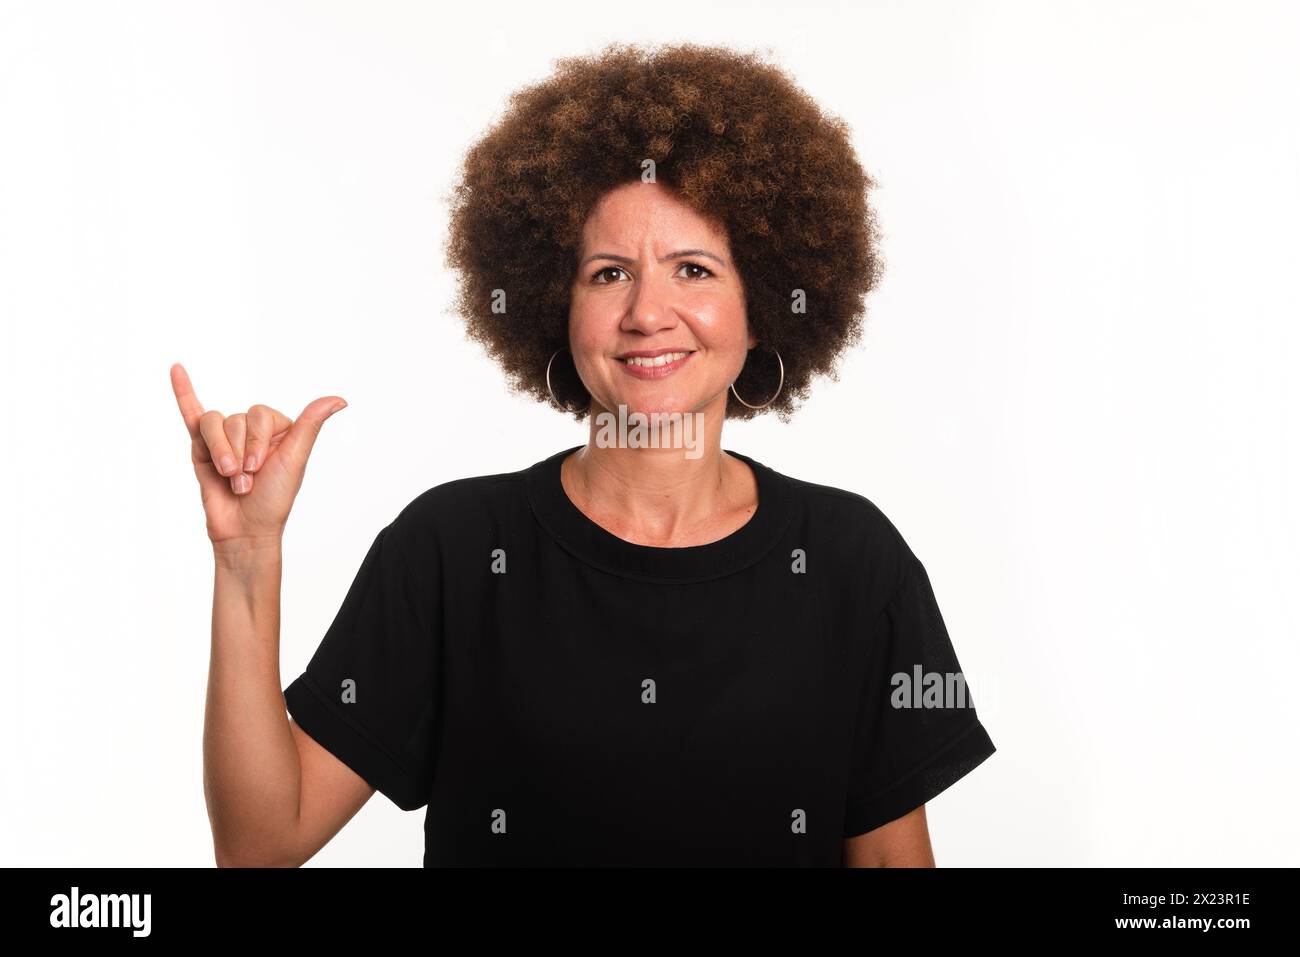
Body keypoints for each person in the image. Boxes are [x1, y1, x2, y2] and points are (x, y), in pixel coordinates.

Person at [176, 41, 996, 868]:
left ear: (762, 311)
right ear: (554, 307)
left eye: (694, 269)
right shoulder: (453, 549)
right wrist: (247, 556)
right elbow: (258, 844)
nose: (649, 312)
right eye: (608, 273)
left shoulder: (854, 561)